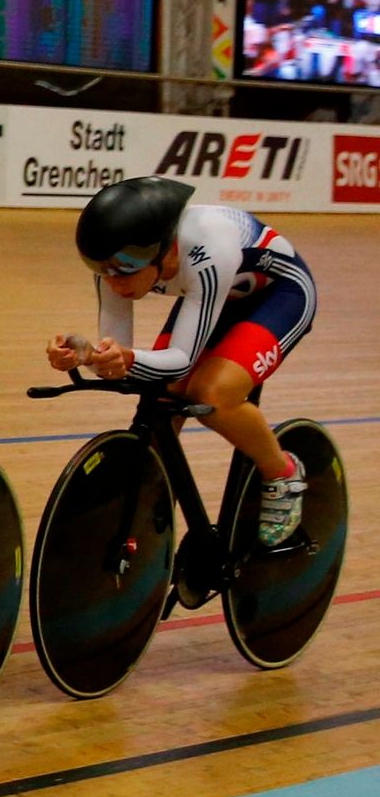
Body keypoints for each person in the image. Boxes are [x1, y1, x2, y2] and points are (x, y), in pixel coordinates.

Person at [47, 175, 315, 544]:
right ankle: (153, 509)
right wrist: (84, 354)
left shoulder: (208, 251)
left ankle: (283, 473)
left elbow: (180, 362)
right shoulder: (117, 263)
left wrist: (122, 358)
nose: (114, 283)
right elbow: (118, 359)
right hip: (214, 297)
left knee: (212, 395)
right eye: (102, 270)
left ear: (167, 251)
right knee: (161, 400)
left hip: (278, 296)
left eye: (127, 270)